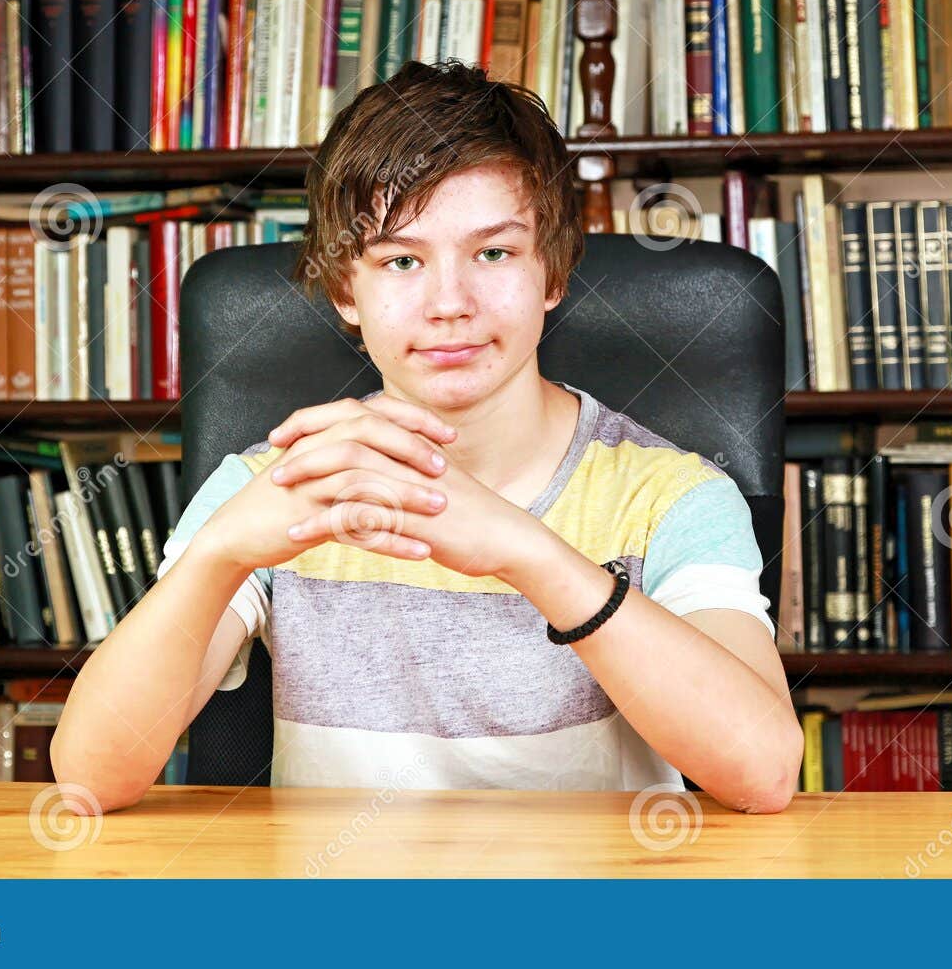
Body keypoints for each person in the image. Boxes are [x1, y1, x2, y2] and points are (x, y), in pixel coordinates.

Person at [51, 60, 804, 813]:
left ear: (552, 272)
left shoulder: (675, 496)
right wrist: (219, 552)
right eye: (402, 259)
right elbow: (90, 776)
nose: (450, 302)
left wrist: (525, 551)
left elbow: (763, 773)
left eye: (494, 253)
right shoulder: (273, 484)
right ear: (348, 288)